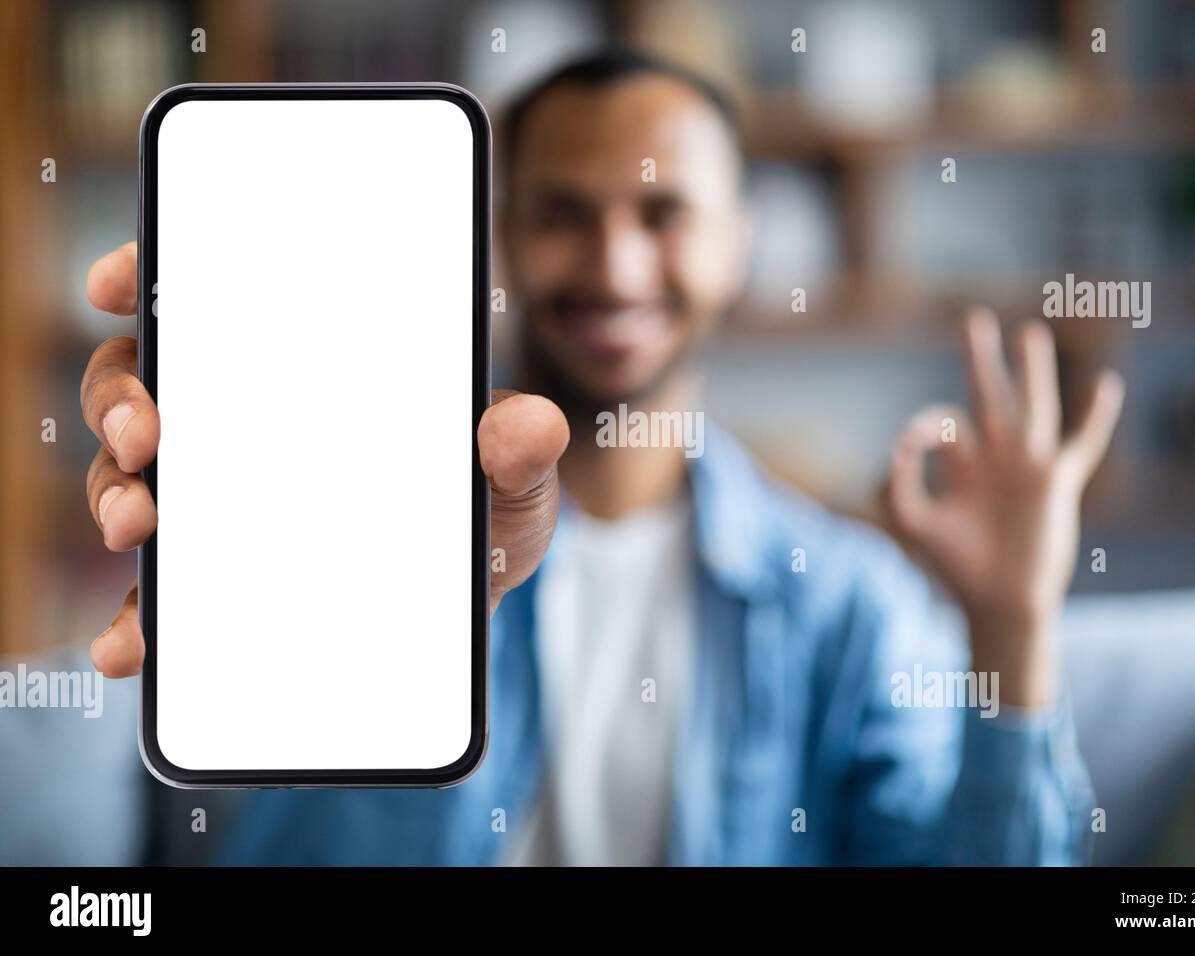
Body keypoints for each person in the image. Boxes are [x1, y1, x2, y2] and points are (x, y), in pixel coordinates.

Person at [79, 49, 1124, 866]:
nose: (616, 266)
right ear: (498, 236)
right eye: (563, 215)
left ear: (738, 242)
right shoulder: (370, 537)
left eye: (663, 213)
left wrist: (1012, 623)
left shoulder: (843, 601)